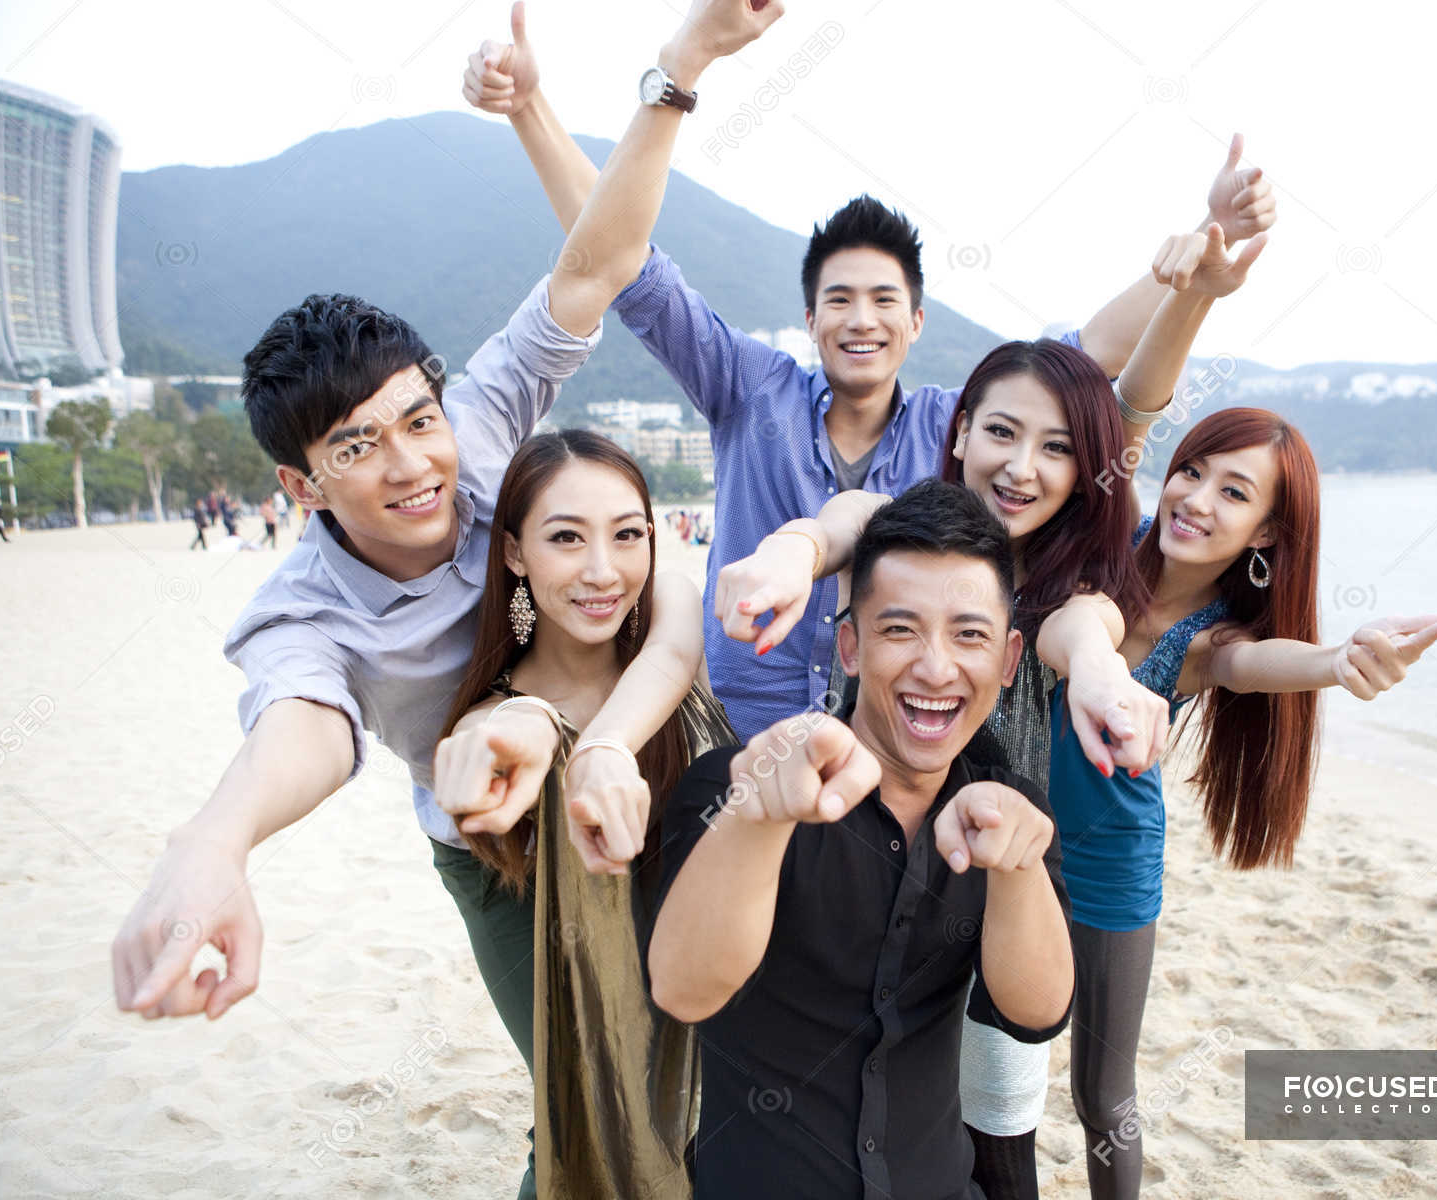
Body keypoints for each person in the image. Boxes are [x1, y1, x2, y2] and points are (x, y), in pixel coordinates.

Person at [106, 5, 787, 1196]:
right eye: (358, 446)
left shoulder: (476, 438)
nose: (416, 465)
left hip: (634, 772)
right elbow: (306, 727)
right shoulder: (303, 613)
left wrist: (675, 70)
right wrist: (215, 843)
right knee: (581, 1091)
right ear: (299, 481)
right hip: (493, 845)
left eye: (417, 420)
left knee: (691, 1062)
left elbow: (599, 264)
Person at [465, 37, 1278, 742]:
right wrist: (530, 109)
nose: (863, 320)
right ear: (810, 318)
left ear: (917, 321)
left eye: (885, 301)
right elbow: (625, 264)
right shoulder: (750, 387)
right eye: (840, 301)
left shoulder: (959, 427)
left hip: (884, 742)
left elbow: (1089, 354)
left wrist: (1204, 250)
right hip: (738, 727)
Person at [714, 219, 1268, 1197]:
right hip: (877, 855)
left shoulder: (1073, 585)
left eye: (1058, 448)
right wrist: (790, 555)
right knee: (863, 1092)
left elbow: (1084, 634)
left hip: (1001, 864)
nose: (1022, 467)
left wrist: (1103, 683)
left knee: (1003, 1124)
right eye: (1002, 432)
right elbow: (844, 521)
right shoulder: (908, 530)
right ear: (958, 430)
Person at [1039, 404, 1437, 1196]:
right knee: (989, 1044)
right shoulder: (1102, 545)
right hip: (1011, 832)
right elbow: (1131, 395)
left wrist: (1340, 661)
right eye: (1192, 472)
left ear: (1266, 533)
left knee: (1101, 1092)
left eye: (1235, 493)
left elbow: (1257, 665)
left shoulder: (1211, 640)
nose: (1195, 499)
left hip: (1109, 861)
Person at [648, 480, 1076, 1199]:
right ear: (849, 644)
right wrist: (756, 818)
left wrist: (1020, 869)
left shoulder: (1010, 812)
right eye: (900, 629)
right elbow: (685, 991)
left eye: (968, 635)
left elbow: (1037, 1014)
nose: (936, 668)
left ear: (1006, 660)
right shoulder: (739, 783)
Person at [432, 430, 737, 1198]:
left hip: (693, 963)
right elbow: (495, 737)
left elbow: (672, 629)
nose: (603, 571)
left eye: (627, 535)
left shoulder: (671, 653)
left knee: (683, 1121)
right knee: (586, 1105)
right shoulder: (506, 717)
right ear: (513, 552)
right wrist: (496, 739)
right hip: (538, 929)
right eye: (566, 538)